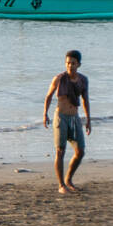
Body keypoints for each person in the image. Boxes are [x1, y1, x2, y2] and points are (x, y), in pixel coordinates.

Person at [43, 50, 91, 194]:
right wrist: (45, 114)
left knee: (80, 151)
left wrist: (88, 120)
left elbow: (85, 100)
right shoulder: (59, 79)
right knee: (60, 150)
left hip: (75, 118)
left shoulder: (83, 80)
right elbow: (49, 96)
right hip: (61, 117)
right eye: (68, 63)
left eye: (73, 63)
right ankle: (61, 185)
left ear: (79, 64)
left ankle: (69, 179)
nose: (70, 66)